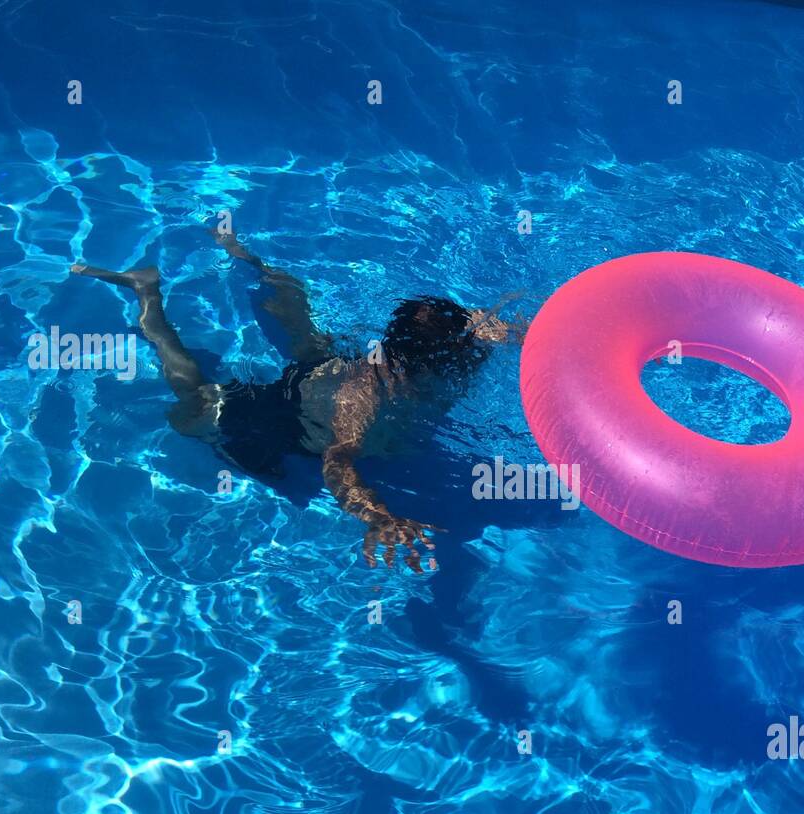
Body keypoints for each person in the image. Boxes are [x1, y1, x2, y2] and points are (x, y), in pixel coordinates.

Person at [72, 228, 517, 572]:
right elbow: (337, 462)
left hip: (333, 372)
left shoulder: (464, 339)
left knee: (309, 340)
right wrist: (378, 516)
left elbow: (517, 331)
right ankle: (147, 294)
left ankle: (244, 256)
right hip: (294, 410)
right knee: (194, 405)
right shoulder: (368, 397)